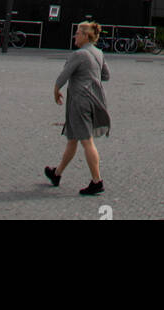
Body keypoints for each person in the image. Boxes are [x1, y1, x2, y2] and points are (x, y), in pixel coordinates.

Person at [45, 19, 110, 195]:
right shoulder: (98, 53)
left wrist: (56, 90)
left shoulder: (79, 54)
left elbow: (63, 76)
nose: (75, 36)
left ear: (85, 36)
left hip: (79, 101)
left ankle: (97, 181)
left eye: (77, 33)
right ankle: (57, 174)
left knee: (86, 141)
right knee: (72, 139)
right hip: (93, 99)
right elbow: (106, 75)